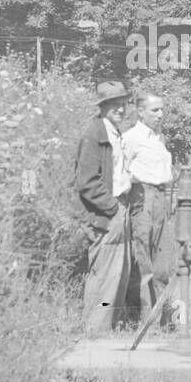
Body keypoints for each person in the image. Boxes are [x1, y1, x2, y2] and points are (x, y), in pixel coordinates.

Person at [73, 81, 134, 334]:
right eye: (114, 104)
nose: (120, 109)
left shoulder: (113, 131)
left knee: (118, 274)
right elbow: (86, 182)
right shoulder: (94, 133)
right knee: (104, 275)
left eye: (123, 104)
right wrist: (112, 209)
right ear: (102, 106)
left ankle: (109, 327)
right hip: (106, 213)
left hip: (120, 207)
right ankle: (95, 331)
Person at [122, 92, 174, 324]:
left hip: (162, 198)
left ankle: (161, 316)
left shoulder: (159, 139)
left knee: (161, 262)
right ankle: (145, 319)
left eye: (162, 110)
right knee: (144, 260)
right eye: (155, 110)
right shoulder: (131, 137)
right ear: (140, 112)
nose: (160, 115)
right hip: (142, 198)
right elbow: (121, 171)